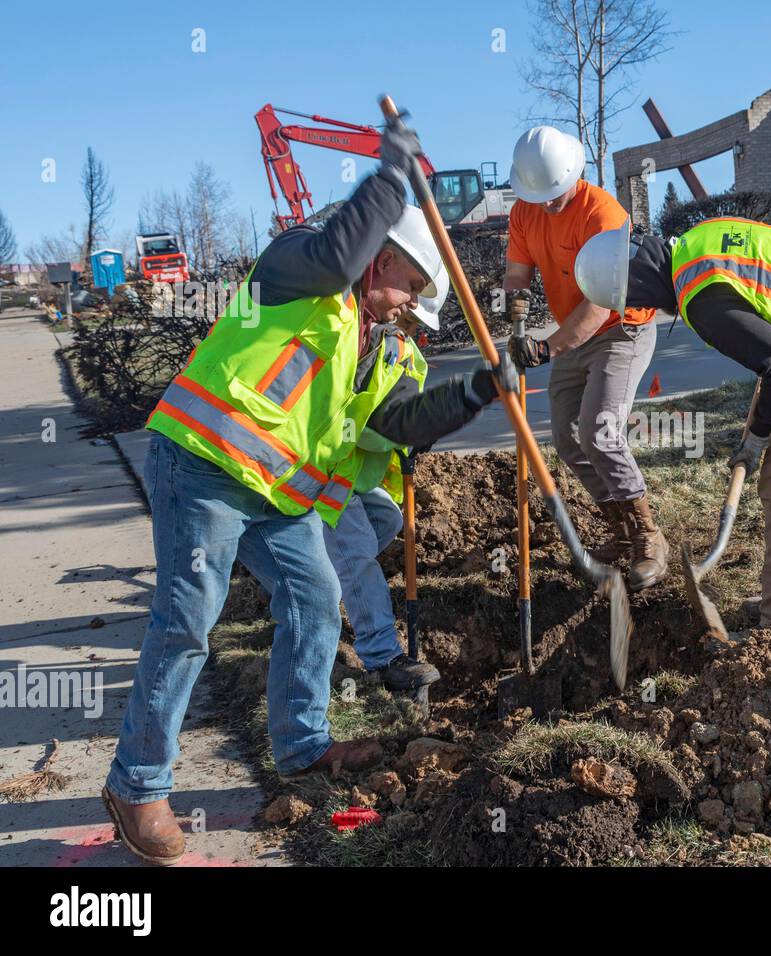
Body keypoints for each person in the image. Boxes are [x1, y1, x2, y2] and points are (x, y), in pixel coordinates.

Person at [103, 120, 517, 866]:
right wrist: (391, 176)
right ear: (381, 257)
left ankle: (302, 747)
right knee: (189, 620)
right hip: (203, 465)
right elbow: (334, 253)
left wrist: (483, 388)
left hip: (277, 496)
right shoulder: (297, 269)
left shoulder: (369, 337)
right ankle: (137, 785)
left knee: (316, 602)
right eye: (412, 287)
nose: (409, 306)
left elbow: (398, 423)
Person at [574, 216, 771, 628]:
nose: (644, 309)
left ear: (636, 286)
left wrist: (757, 439)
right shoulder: (693, 244)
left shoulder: (701, 299)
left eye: (634, 300)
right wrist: (764, 418)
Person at [503, 126, 667, 590]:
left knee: (600, 430)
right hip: (573, 335)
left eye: (556, 194)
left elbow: (601, 302)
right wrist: (515, 314)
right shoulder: (524, 212)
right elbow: (517, 273)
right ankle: (620, 530)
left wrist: (546, 347)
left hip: (621, 327)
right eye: (540, 195)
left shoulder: (602, 213)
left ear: (574, 172)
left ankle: (648, 536)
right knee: (567, 436)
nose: (549, 203)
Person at [320, 262, 449, 692]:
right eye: (407, 318)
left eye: (414, 323)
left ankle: (326, 584)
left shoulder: (407, 353)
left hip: (354, 472)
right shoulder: (366, 341)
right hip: (326, 469)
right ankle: (381, 657)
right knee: (356, 553)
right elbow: (358, 419)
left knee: (388, 522)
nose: (405, 326)